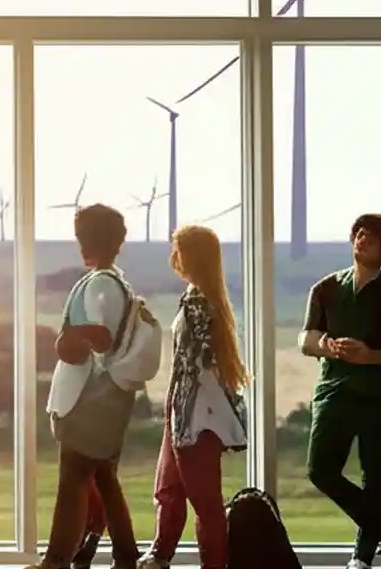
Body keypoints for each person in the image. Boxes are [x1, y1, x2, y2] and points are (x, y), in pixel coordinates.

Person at [299, 213, 381, 569]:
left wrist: (372, 356)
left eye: (371, 237)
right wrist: (326, 346)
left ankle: (362, 557)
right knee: (320, 471)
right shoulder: (325, 288)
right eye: (359, 233)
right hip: (333, 393)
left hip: (379, 398)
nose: (362, 239)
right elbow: (305, 339)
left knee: (376, 479)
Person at [33, 204, 139, 569]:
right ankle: (126, 555)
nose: (79, 244)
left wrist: (67, 339)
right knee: (105, 479)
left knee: (73, 480)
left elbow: (100, 339)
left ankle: (57, 559)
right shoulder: (118, 283)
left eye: (83, 237)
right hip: (107, 399)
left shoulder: (99, 284)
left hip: (89, 398)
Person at [139, 225, 247, 569]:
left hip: (196, 415)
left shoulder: (199, 302)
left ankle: (208, 564)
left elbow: (195, 362)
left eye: (182, 250)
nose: (176, 257)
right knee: (170, 488)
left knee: (204, 501)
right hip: (187, 411)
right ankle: (160, 554)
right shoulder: (200, 297)